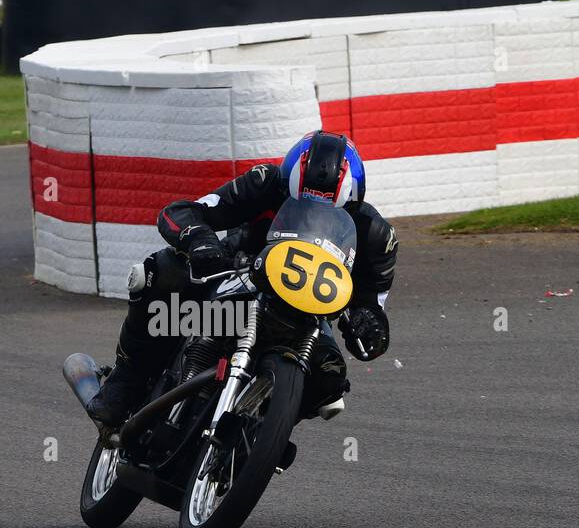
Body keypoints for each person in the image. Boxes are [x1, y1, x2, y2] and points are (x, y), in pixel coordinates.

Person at [86, 131, 398, 427]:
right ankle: (126, 379)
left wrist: (368, 323)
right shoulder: (264, 184)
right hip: (238, 280)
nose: (310, 217)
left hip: (309, 319)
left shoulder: (375, 235)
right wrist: (200, 240)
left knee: (330, 379)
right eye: (301, 206)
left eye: (323, 212)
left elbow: (374, 312)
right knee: (158, 272)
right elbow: (180, 212)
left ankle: (261, 429)